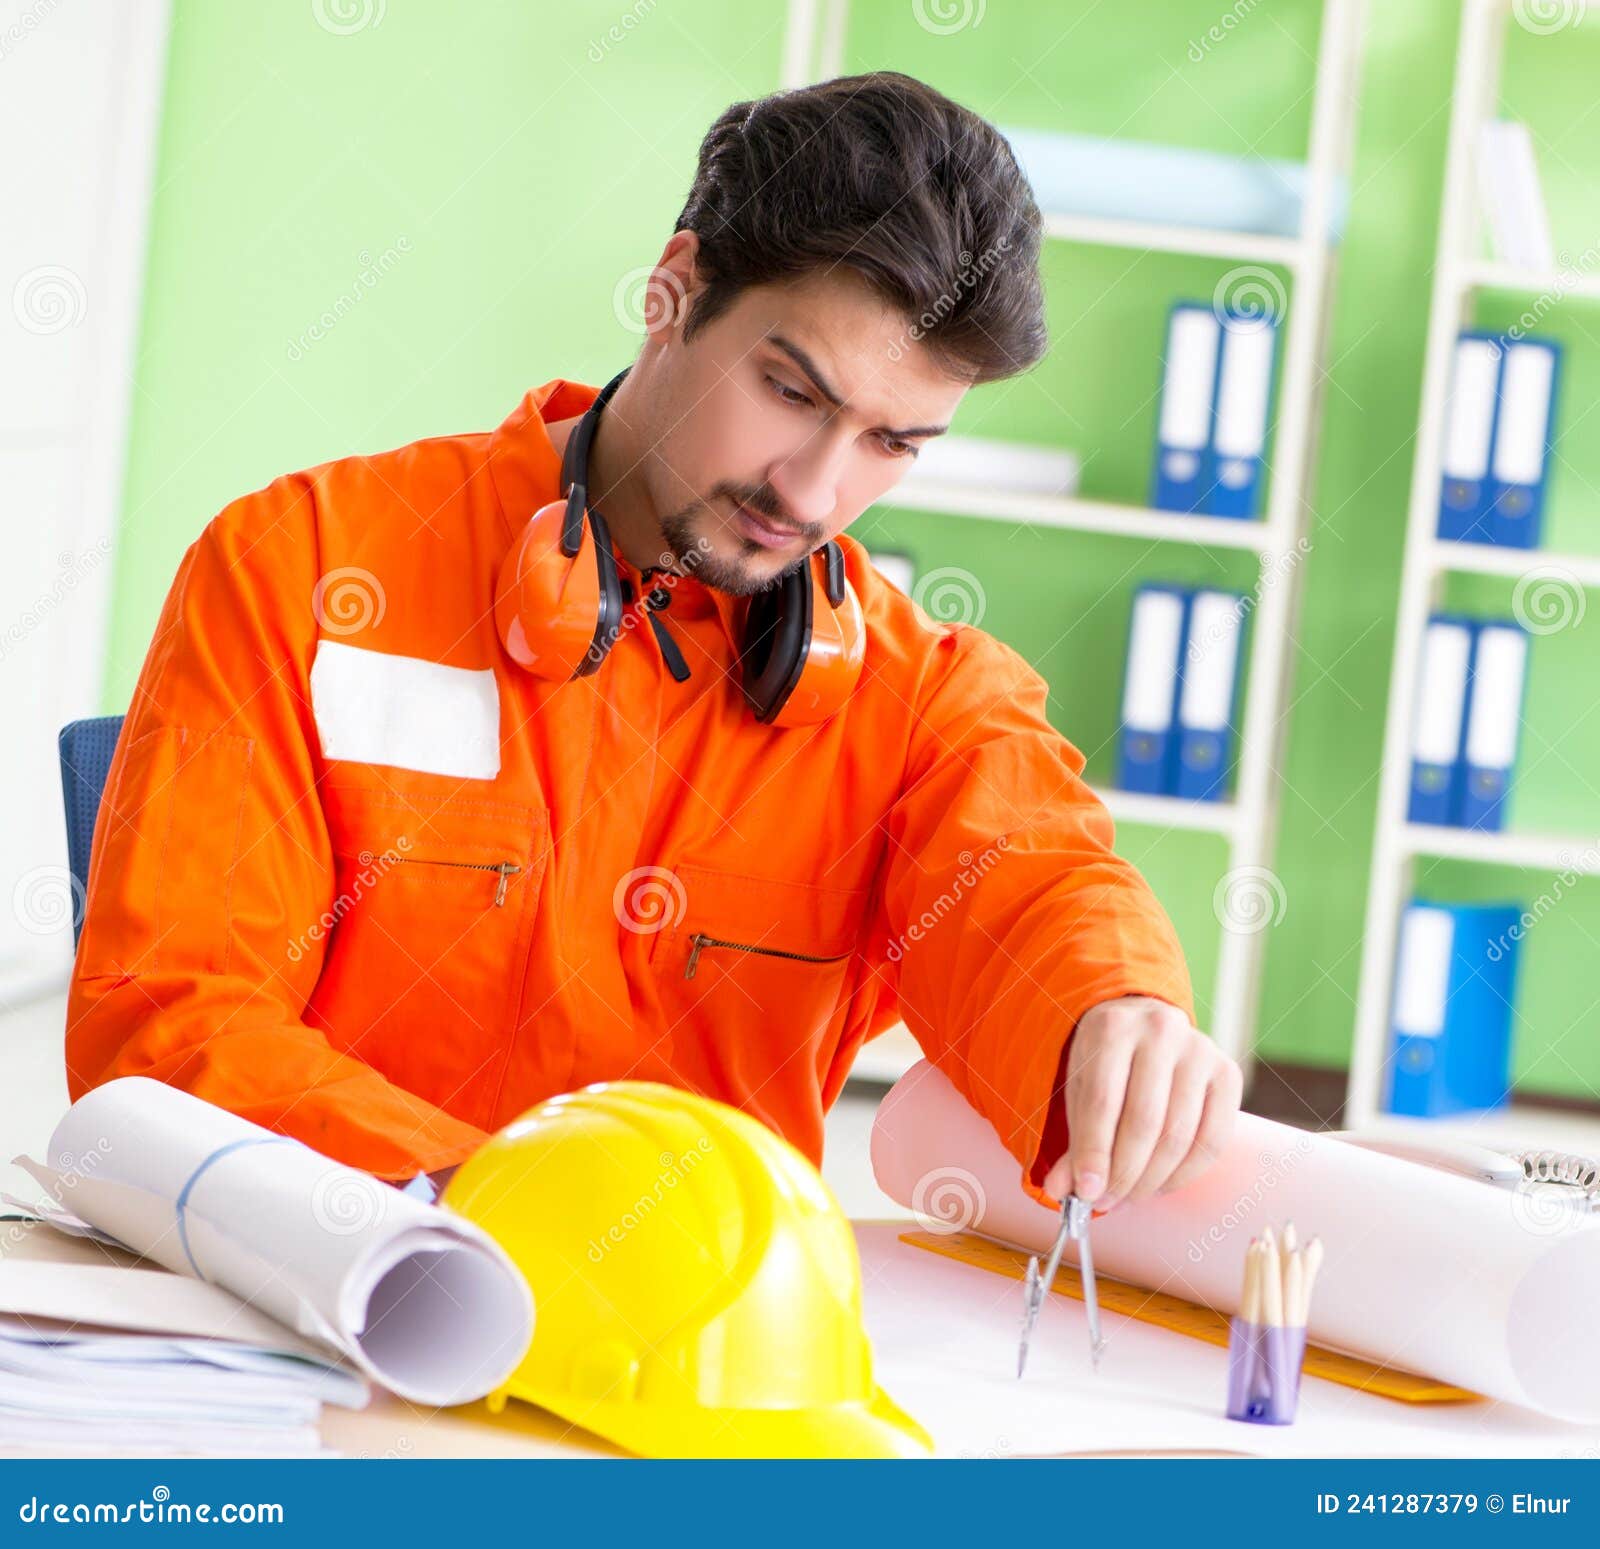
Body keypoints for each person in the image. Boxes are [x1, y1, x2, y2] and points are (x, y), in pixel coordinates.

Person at [66, 70, 1240, 1215]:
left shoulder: (920, 700)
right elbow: (168, 1018)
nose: (815, 491)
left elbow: (1036, 887)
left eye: (894, 444)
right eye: (791, 392)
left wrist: (1116, 1007)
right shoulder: (311, 564)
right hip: (336, 1302)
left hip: (693, 1362)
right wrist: (522, 1211)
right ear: (674, 288)